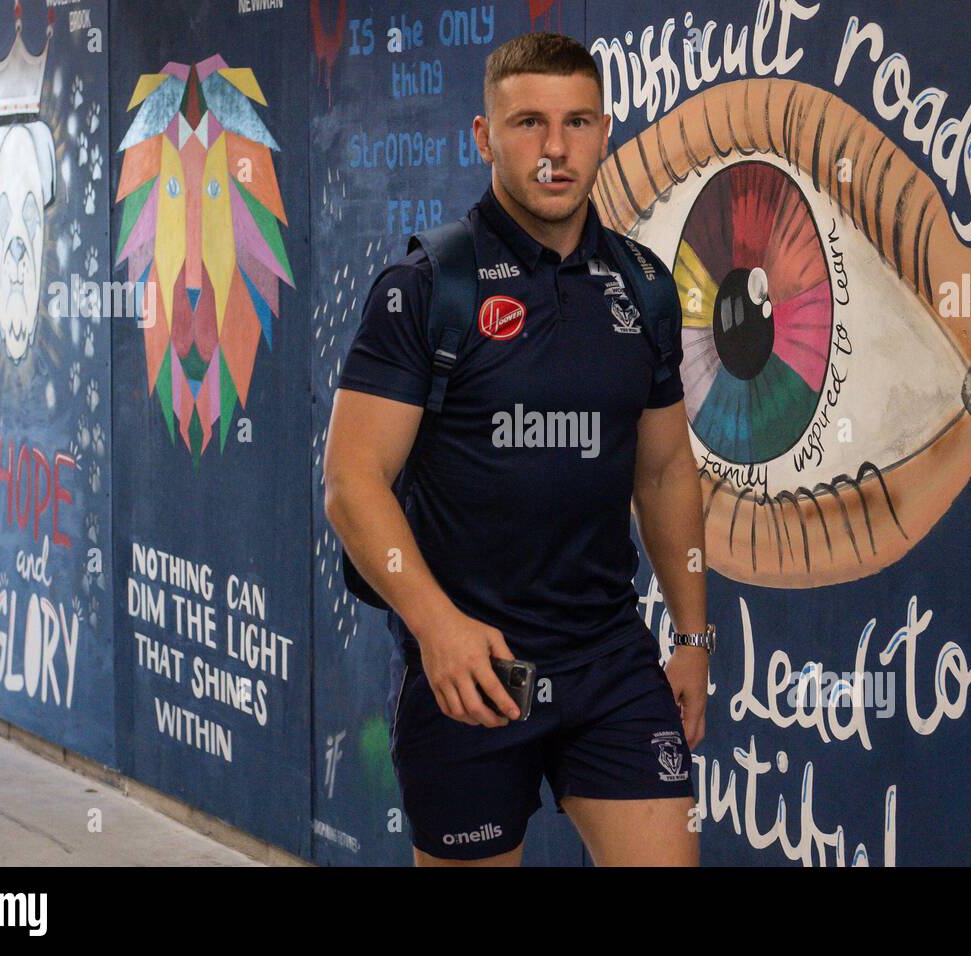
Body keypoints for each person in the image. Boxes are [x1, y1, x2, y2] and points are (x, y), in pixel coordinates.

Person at [324, 31, 713, 867]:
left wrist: (691, 636)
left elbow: (666, 468)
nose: (554, 149)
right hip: (472, 670)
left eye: (577, 123)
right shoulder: (428, 289)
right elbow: (353, 483)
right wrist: (437, 628)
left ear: (605, 131)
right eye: (528, 123)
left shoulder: (643, 287)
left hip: (611, 664)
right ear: (483, 135)